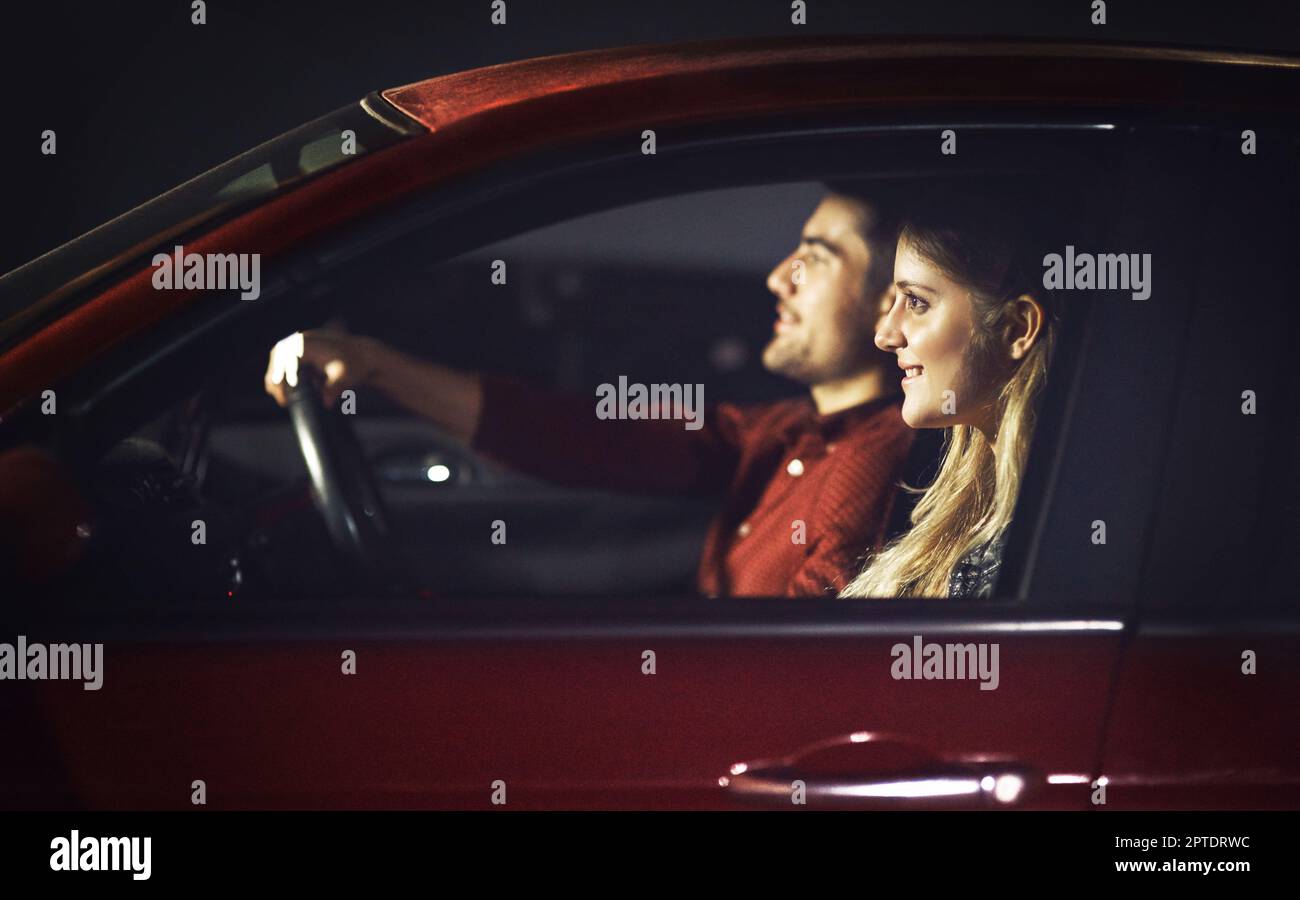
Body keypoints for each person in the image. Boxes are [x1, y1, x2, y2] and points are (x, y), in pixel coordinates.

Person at [266, 187, 915, 597]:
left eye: (815, 258)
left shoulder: (882, 456)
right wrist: (378, 367)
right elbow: (588, 436)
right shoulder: (780, 429)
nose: (779, 278)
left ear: (889, 301)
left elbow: (796, 662)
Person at [841, 182, 1061, 600]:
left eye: (917, 302)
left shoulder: (1044, 532)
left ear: (1017, 327)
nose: (885, 335)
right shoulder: (976, 509)